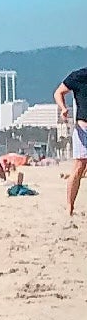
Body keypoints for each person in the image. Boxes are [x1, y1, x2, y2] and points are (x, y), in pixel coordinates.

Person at [58, 66, 87, 217]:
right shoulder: (79, 76)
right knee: (79, 167)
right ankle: (69, 207)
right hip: (84, 127)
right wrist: (63, 108)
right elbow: (58, 92)